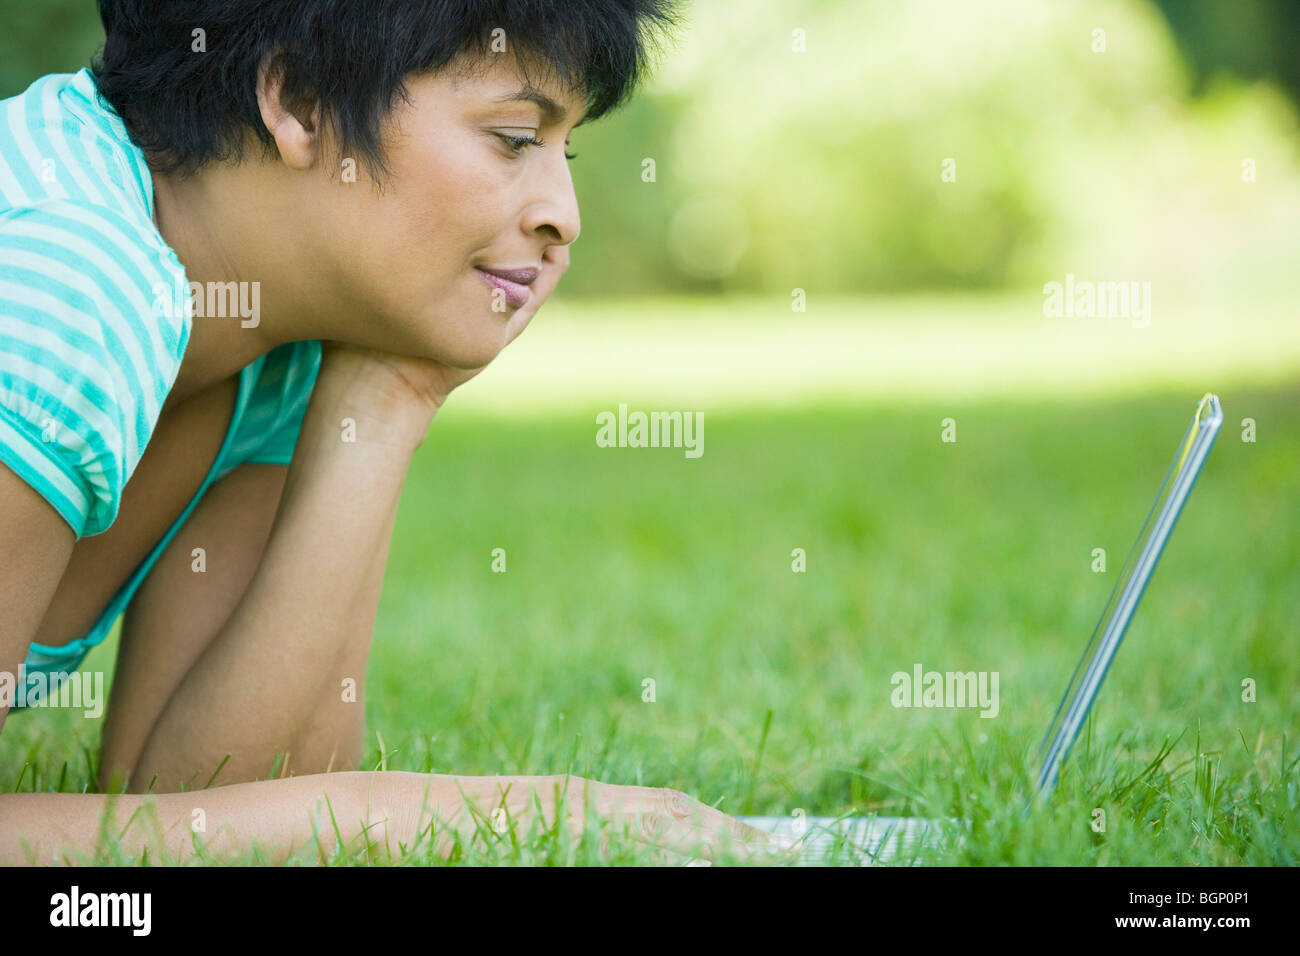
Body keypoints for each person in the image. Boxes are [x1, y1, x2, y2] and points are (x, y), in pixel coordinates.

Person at [0, 0, 789, 865]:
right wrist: (459, 810)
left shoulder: (275, 322)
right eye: (516, 137)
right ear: (299, 102)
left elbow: (203, 813)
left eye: (569, 149)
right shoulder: (60, 284)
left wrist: (388, 398)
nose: (563, 216)